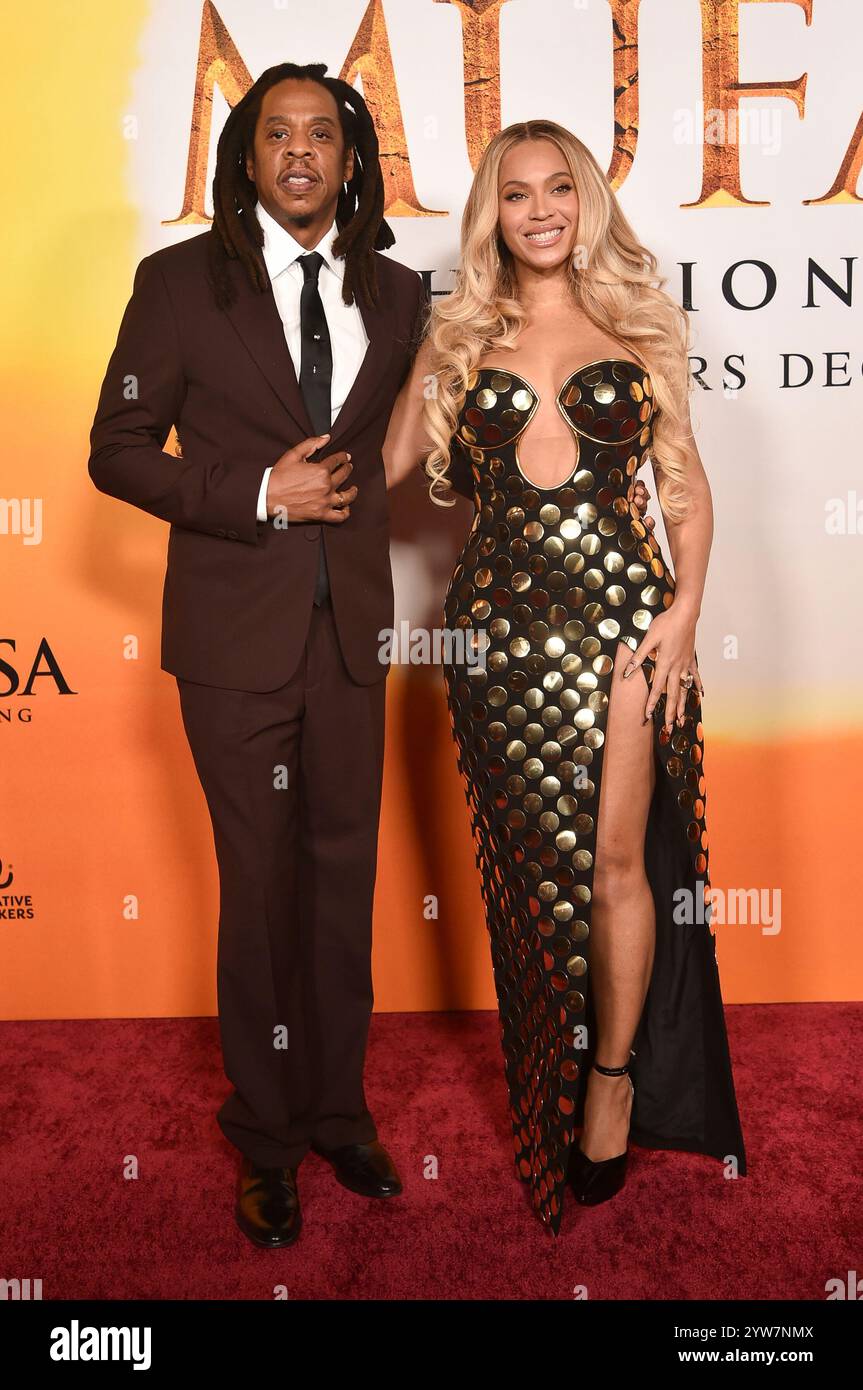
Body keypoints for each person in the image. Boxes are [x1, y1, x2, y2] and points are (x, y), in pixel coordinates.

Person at [384, 119, 747, 1236]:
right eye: (514, 194)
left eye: (557, 189)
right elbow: (388, 465)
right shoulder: (462, 335)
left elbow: (683, 492)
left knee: (615, 865)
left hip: (625, 628)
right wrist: (427, 359)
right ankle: (549, 1049)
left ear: (585, 201)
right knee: (538, 875)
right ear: (490, 216)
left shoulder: (636, 326)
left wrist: (684, 613)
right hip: (494, 638)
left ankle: (612, 1079)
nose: (538, 209)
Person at [88, 63, 428, 1248]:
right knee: (258, 890)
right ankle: (267, 1137)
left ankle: (339, 1112)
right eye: (275, 133)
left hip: (350, 637)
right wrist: (257, 494)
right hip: (234, 642)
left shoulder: (398, 293)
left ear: (349, 159)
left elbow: (412, 440)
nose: (297, 152)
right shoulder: (179, 284)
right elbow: (118, 447)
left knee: (342, 882)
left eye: (319, 134)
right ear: (246, 157)